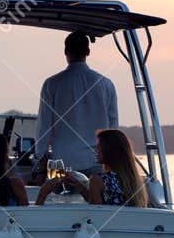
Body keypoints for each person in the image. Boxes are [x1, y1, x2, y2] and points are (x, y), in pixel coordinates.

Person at [35, 30, 117, 179]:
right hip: (97, 162)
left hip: (60, 162)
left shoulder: (51, 84)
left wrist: (40, 157)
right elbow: (113, 127)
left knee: (56, 199)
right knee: (97, 200)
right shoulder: (106, 84)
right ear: (88, 51)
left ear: (65, 51)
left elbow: (44, 125)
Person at [37, 127, 150, 208]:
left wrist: (43, 193)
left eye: (99, 147)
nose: (95, 150)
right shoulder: (135, 181)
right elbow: (100, 204)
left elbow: (95, 216)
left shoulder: (98, 180)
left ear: (109, 151)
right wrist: (79, 186)